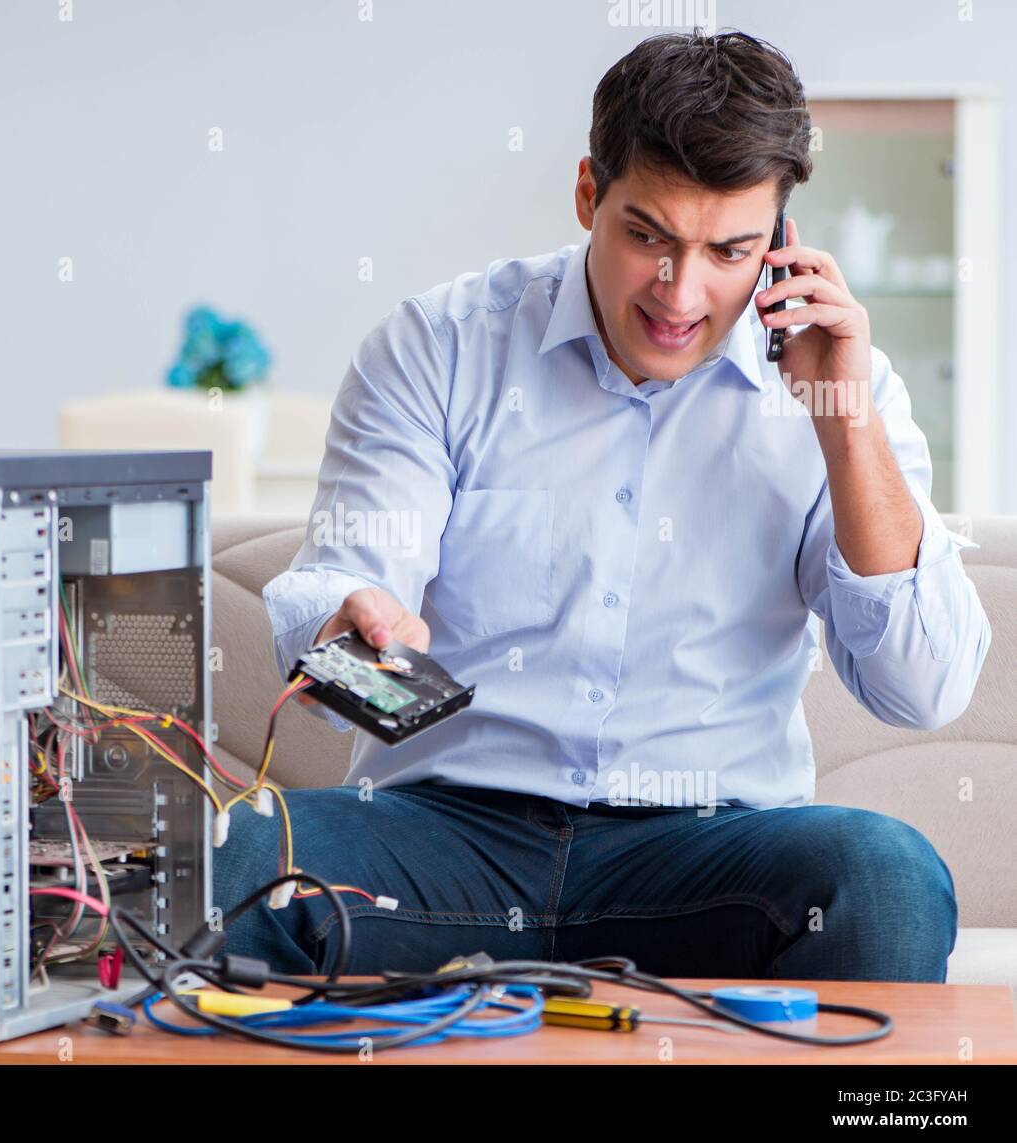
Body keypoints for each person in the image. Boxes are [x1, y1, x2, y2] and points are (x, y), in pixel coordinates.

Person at [213, 29, 991, 982]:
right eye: (647, 236)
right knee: (232, 859)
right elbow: (349, 589)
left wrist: (845, 416)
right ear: (590, 193)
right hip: (445, 834)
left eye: (729, 251)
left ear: (782, 240)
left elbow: (923, 687)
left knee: (886, 877)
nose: (681, 292)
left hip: (706, 853)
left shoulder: (843, 386)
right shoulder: (440, 347)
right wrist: (349, 625)